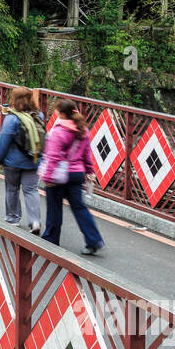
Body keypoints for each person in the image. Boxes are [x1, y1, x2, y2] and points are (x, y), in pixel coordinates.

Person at [38, 99, 104, 254]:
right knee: (79, 207)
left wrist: (48, 178)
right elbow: (87, 153)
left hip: (59, 176)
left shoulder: (59, 132)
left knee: (54, 207)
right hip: (76, 175)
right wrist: (89, 171)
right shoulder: (83, 130)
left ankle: (51, 239)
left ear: (61, 113)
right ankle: (93, 240)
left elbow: (53, 157)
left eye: (57, 110)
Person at [0, 87, 46, 232]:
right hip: (33, 160)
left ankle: (13, 218)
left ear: (14, 99)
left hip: (12, 163)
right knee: (31, 190)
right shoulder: (39, 115)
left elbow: (3, 143)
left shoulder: (12, 118)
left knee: (12, 189)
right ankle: (35, 222)